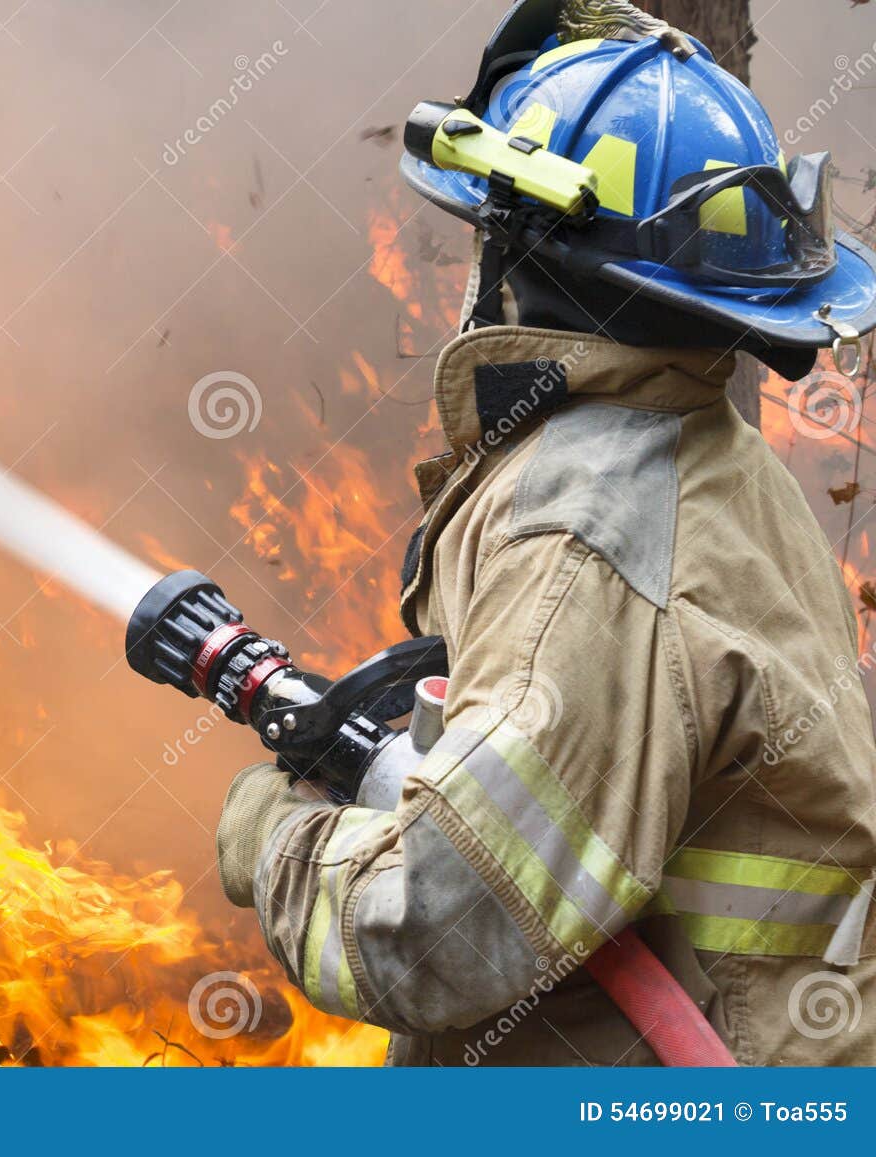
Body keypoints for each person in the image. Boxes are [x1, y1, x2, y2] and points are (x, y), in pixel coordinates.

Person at [214, 0, 876, 1064]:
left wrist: (266, 833)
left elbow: (433, 930)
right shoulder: (700, 449)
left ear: (521, 252)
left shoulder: (586, 533)